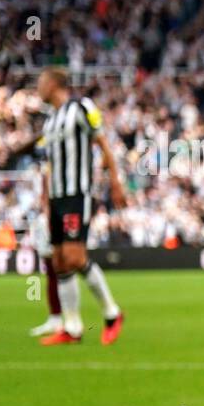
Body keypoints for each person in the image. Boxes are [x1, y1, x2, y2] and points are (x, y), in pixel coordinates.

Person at [25, 68, 125, 346]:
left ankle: (112, 313)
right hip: (57, 198)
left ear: (55, 84)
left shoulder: (81, 108)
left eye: (41, 82)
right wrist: (46, 199)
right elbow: (50, 165)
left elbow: (103, 141)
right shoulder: (50, 122)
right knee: (58, 260)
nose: (38, 88)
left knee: (74, 256)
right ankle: (72, 328)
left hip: (76, 195)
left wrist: (115, 180)